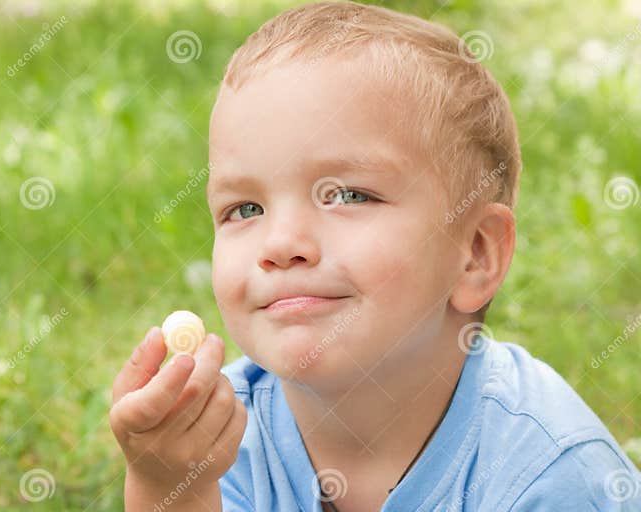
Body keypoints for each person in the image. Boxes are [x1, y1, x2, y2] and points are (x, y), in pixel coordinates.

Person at [109, 1, 641, 510]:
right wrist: (167, 486)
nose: (279, 245)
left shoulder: (549, 479)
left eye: (347, 195)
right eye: (246, 208)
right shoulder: (220, 439)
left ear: (474, 254)